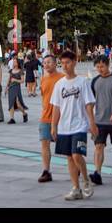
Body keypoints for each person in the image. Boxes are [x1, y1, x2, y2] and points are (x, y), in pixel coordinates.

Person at [48, 50, 94, 201]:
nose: (65, 66)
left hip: (79, 125)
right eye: (63, 63)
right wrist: (54, 126)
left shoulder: (82, 82)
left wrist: (92, 123)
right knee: (69, 157)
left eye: (68, 63)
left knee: (76, 154)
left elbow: (88, 104)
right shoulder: (59, 85)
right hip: (64, 127)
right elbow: (56, 107)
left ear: (74, 62)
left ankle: (86, 179)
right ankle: (76, 188)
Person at [87, 57, 112, 185]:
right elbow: (91, 103)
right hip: (100, 120)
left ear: (108, 65)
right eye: (97, 67)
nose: (100, 69)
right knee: (98, 146)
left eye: (102, 66)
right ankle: (97, 172)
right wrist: (91, 121)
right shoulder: (94, 81)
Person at [36, 54, 63, 183]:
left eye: (49, 62)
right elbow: (43, 97)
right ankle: (46, 171)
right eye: (44, 63)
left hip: (61, 117)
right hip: (45, 116)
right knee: (45, 143)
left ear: (55, 63)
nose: (46, 65)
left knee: (67, 145)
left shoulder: (63, 78)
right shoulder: (43, 79)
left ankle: (76, 166)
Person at [5, 56, 28, 124]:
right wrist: (6, 88)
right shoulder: (11, 70)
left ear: (18, 63)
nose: (14, 63)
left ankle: (24, 113)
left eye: (15, 62)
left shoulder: (20, 71)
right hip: (11, 88)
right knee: (11, 103)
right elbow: (8, 80)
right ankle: (12, 118)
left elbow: (22, 81)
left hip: (17, 88)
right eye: (13, 62)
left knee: (18, 103)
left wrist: (15, 80)